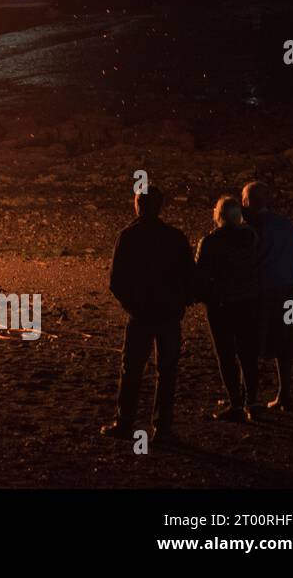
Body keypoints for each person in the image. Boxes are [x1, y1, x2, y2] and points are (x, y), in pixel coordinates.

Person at [102, 186, 193, 443]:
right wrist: (180, 304)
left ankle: (124, 422)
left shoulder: (129, 236)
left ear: (138, 205)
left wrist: (132, 305)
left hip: (141, 315)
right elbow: (190, 276)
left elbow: (116, 280)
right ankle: (162, 428)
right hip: (169, 315)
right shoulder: (175, 237)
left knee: (131, 370)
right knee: (167, 371)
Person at [194, 195, 261, 422]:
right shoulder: (251, 238)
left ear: (218, 215)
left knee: (226, 355)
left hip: (221, 305)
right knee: (248, 353)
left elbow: (199, 275)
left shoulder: (210, 242)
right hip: (249, 303)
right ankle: (252, 400)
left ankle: (235, 403)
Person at [242, 181, 293, 410]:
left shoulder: (252, 228)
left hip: (265, 294)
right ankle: (284, 393)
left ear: (247, 202)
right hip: (288, 292)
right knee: (287, 342)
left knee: (252, 343)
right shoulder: (286, 225)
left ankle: (249, 398)